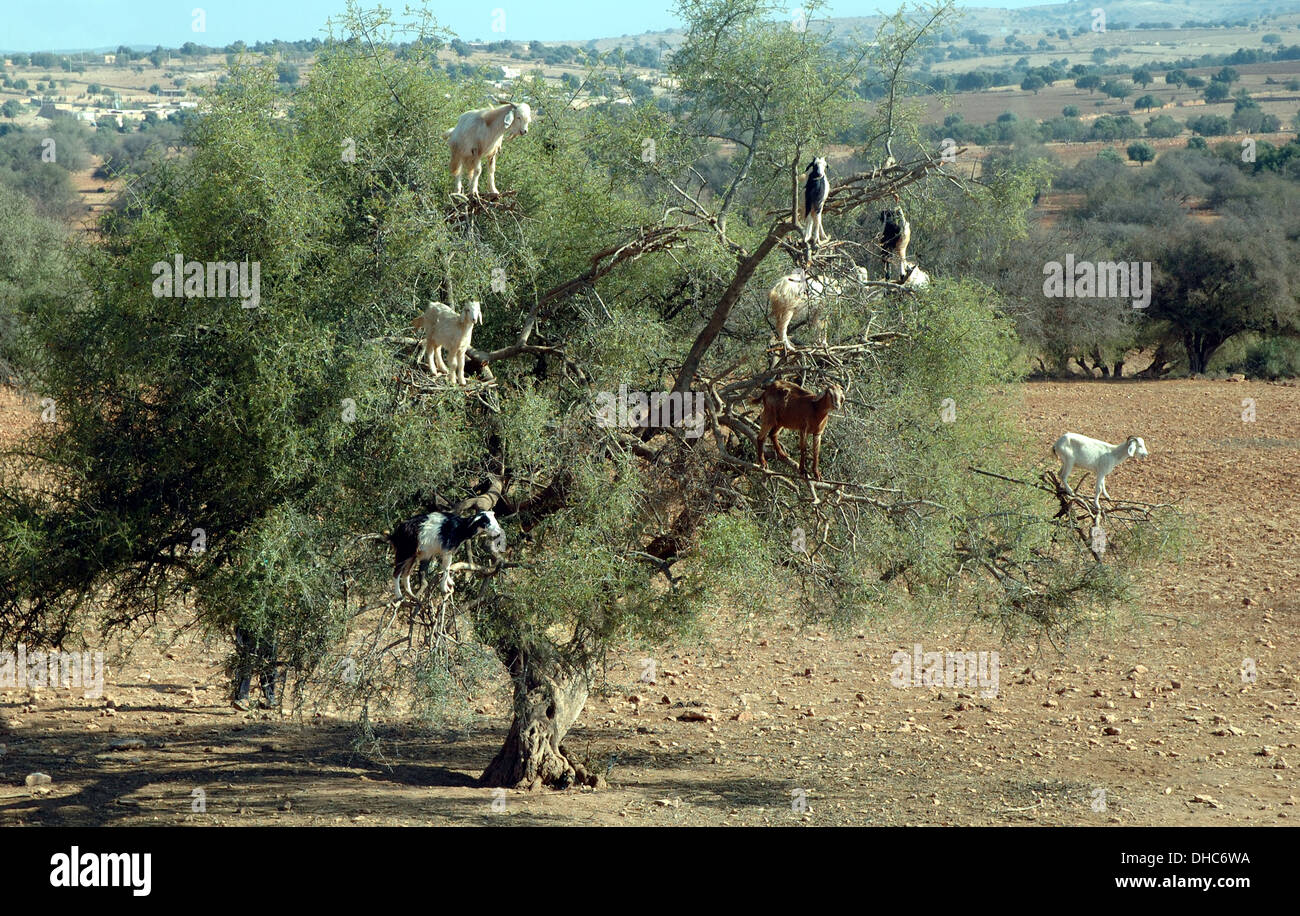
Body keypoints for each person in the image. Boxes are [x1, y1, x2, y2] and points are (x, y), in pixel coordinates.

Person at [232, 625, 280, 710]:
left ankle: (270, 697)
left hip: (267, 624)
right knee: (247, 658)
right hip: (247, 624)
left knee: (269, 659)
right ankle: (241, 697)